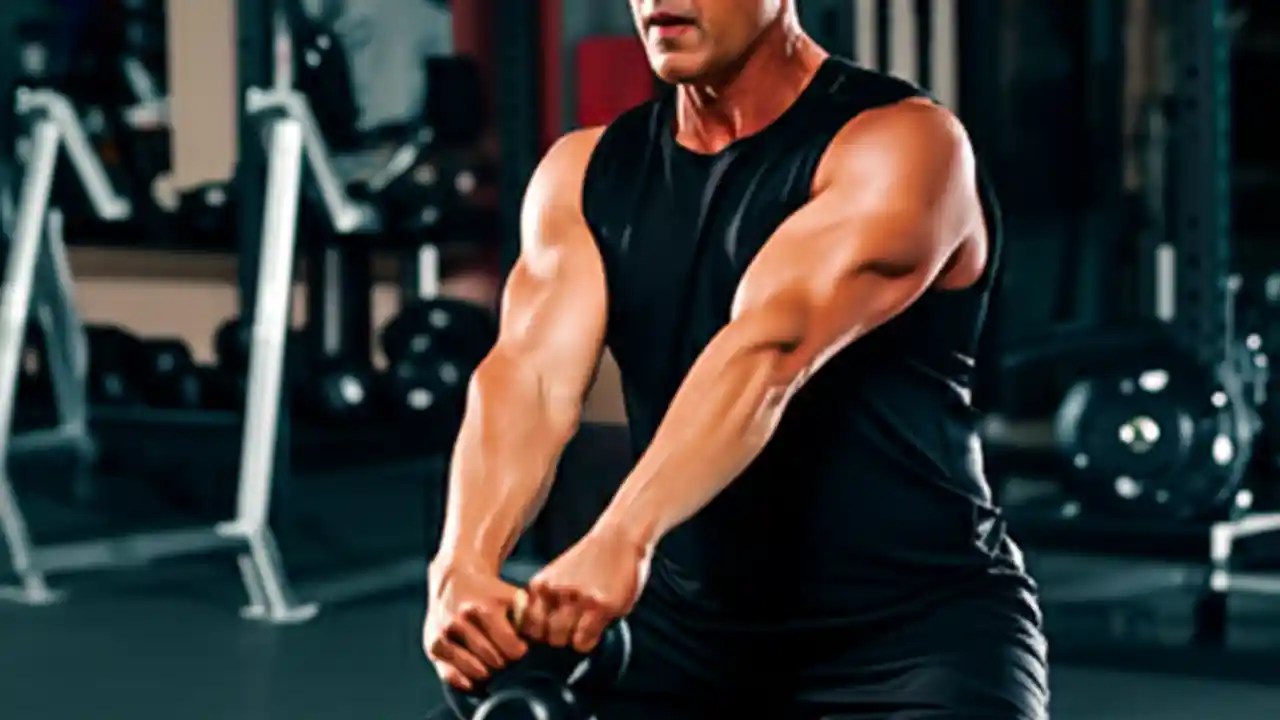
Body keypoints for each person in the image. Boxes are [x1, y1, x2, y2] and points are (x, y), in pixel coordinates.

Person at [424, 1, 1050, 717]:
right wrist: (462, 564)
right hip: (683, 633)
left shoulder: (902, 147)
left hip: (908, 640)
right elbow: (528, 380)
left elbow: (767, 351)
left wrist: (621, 535)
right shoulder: (584, 172)